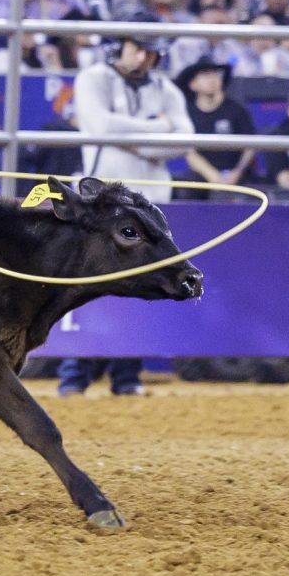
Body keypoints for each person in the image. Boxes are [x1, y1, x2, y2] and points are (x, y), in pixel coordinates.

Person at [61, 30, 191, 397]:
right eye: (140, 49)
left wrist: (130, 137)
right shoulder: (93, 78)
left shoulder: (166, 89)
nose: (145, 59)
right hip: (105, 205)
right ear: (121, 47)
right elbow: (98, 126)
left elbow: (186, 138)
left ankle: (124, 377)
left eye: (153, 53)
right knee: (91, 287)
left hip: (151, 206)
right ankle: (75, 376)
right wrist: (158, 131)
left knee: (139, 289)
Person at [176, 57, 255, 195]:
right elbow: (189, 152)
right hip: (202, 175)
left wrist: (237, 172)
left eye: (216, 74)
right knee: (188, 186)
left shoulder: (237, 109)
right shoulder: (187, 113)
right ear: (193, 84)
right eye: (206, 75)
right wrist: (213, 177)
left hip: (237, 174)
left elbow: (250, 147)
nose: (212, 79)